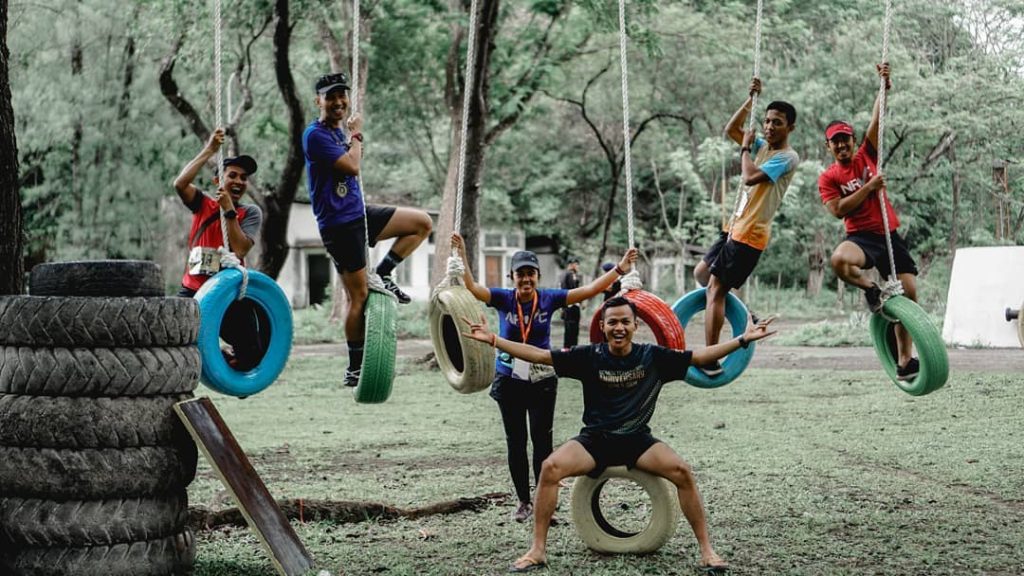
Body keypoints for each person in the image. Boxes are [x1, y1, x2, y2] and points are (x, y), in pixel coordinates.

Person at [462, 297, 776, 574]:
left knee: (682, 471)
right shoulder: (590, 355)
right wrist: (493, 339)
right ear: (603, 326)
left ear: (635, 325)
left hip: (638, 441)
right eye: (612, 322)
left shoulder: (654, 357)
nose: (619, 327)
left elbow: (699, 357)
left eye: (625, 321)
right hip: (595, 440)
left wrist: (743, 340)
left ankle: (708, 551)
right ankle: (537, 550)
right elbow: (540, 356)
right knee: (550, 468)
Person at [451, 233, 637, 523]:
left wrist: (621, 270)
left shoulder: (549, 298)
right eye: (520, 274)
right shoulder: (503, 297)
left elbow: (588, 291)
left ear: (538, 276)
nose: (526, 280)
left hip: (542, 380)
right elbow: (473, 288)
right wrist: (460, 255)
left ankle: (542, 500)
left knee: (541, 441)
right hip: (508, 379)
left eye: (531, 274)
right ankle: (523, 502)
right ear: (511, 276)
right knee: (516, 441)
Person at [302, 72, 433, 387]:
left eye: (342, 96)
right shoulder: (315, 135)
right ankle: (354, 367)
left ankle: (386, 272)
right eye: (330, 97)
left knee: (421, 223)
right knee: (358, 297)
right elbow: (352, 166)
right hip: (339, 225)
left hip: (358, 213)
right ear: (318, 100)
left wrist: (350, 136)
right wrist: (357, 136)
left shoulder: (338, 133)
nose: (338, 102)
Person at [818, 63, 918, 381]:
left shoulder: (866, 156)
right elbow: (838, 210)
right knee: (839, 261)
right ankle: (871, 289)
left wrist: (883, 85)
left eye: (846, 139)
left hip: (889, 233)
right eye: (836, 141)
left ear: (852, 139)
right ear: (829, 146)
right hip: (861, 237)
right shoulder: (828, 177)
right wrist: (869, 188)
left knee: (909, 297)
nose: (843, 145)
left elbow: (877, 118)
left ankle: (905, 361)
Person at [693, 78, 799, 378]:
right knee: (701, 275)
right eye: (766, 121)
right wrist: (750, 100)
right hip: (733, 229)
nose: (768, 127)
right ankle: (745, 311)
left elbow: (751, 176)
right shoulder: (763, 146)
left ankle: (711, 358)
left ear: (789, 127)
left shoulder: (786, 157)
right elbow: (730, 129)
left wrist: (743, 150)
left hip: (749, 236)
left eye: (776, 123)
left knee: (714, 289)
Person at [173, 128, 267, 370]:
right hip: (193, 289)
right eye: (232, 175)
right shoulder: (202, 204)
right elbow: (180, 183)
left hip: (229, 293)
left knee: (251, 356)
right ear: (218, 180)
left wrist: (229, 211)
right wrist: (210, 150)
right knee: (173, 339)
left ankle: (226, 361)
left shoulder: (250, 212)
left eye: (243, 178)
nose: (238, 181)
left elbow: (241, 249)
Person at [559, 257, 581, 348]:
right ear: (572, 265)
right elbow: (573, 289)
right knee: (572, 330)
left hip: (566, 305)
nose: (577, 267)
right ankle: (571, 350)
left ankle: (569, 349)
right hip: (572, 306)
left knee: (569, 330)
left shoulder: (564, 274)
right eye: (576, 264)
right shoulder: (570, 274)